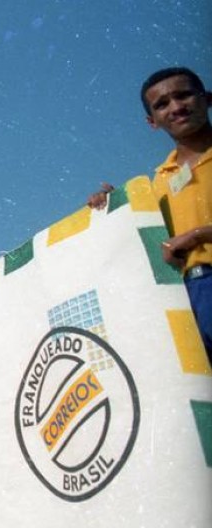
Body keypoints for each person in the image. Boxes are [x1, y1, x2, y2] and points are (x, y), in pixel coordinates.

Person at [89, 67, 212, 350]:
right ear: (152, 121)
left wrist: (197, 236)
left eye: (184, 96)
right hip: (186, 297)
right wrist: (113, 208)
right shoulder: (160, 180)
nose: (176, 107)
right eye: (162, 104)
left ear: (206, 99)